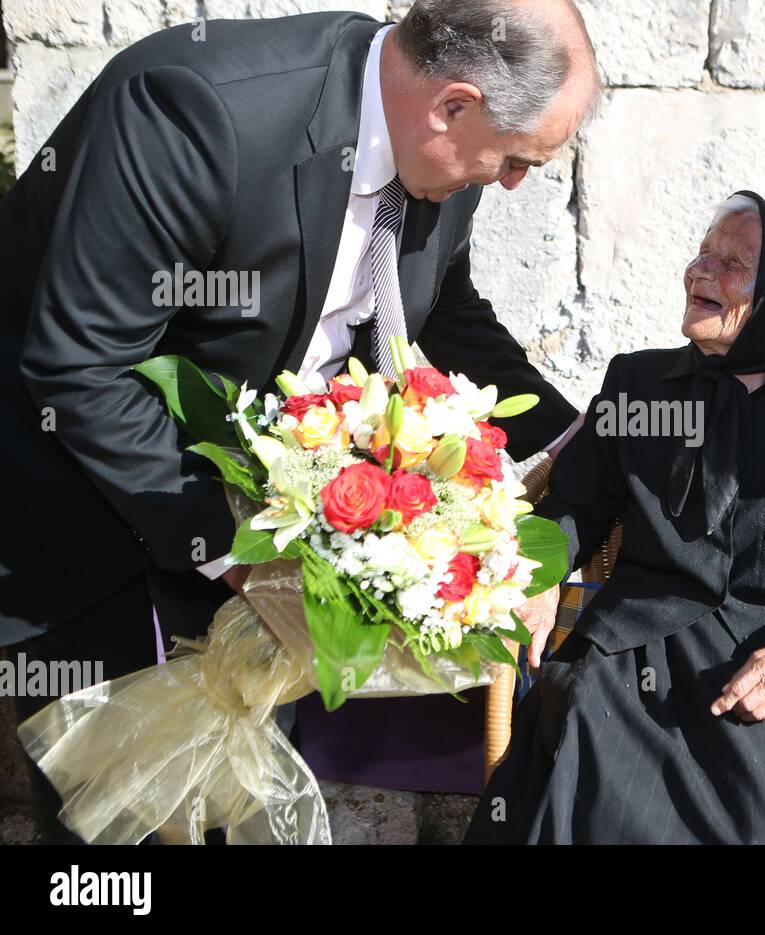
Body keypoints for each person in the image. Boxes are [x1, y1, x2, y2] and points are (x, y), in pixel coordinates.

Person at [0, 0, 598, 842]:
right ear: (453, 105)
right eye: (514, 160)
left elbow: (440, 306)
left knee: (243, 811)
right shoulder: (198, 111)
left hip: (260, 533)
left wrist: (582, 442)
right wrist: (242, 558)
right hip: (81, 507)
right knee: (115, 833)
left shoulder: (436, 157)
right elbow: (77, 369)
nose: (510, 182)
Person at [465, 192, 765, 844]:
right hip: (643, 654)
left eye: (732, 263)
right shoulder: (638, 385)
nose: (701, 271)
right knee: (605, 791)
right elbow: (571, 504)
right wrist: (545, 574)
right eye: (702, 253)